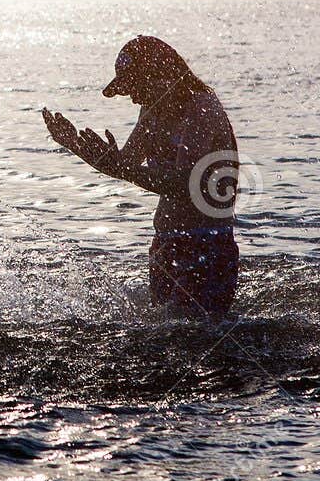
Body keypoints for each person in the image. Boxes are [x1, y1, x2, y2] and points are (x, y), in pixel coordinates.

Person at [41, 36, 241, 318]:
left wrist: (121, 168)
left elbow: (185, 183)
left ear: (159, 76)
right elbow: (124, 165)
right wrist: (74, 144)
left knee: (192, 337)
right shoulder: (152, 109)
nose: (133, 97)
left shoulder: (201, 107)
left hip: (206, 247)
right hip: (165, 244)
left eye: (135, 86)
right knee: (164, 340)